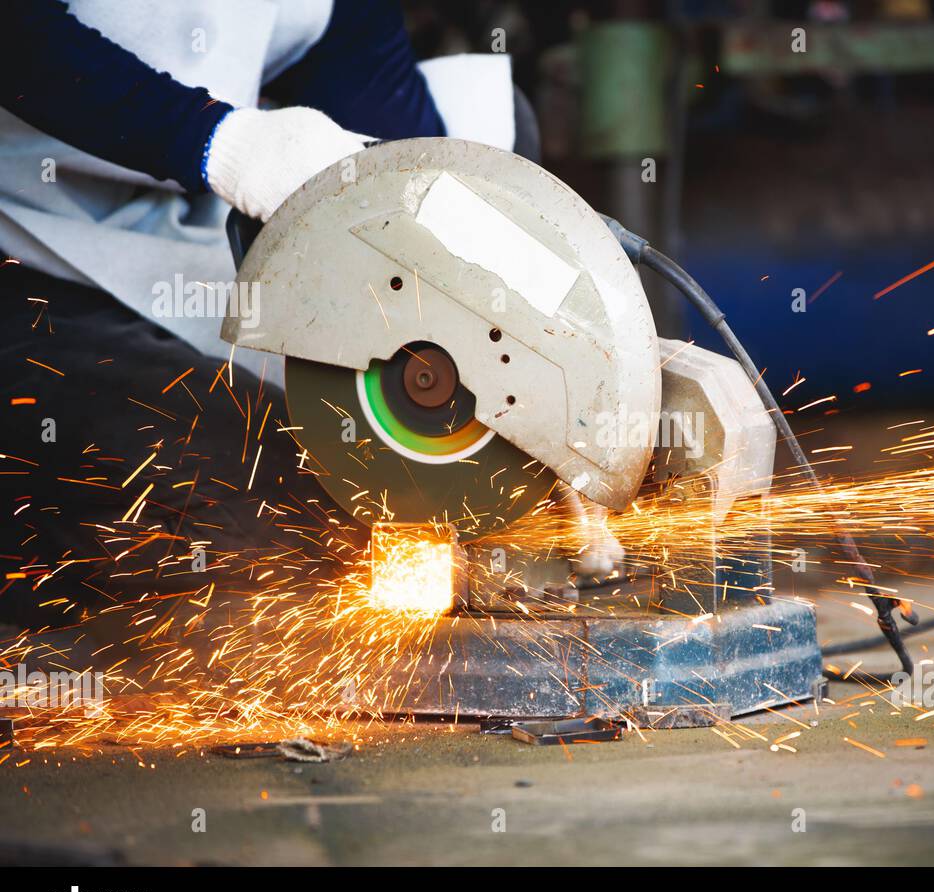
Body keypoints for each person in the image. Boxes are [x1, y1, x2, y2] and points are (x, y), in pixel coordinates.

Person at [0, 1, 537, 630]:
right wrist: (221, 143)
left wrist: (501, 300)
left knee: (354, 500)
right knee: (254, 522)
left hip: (188, 242)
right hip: (24, 251)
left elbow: (370, 90)